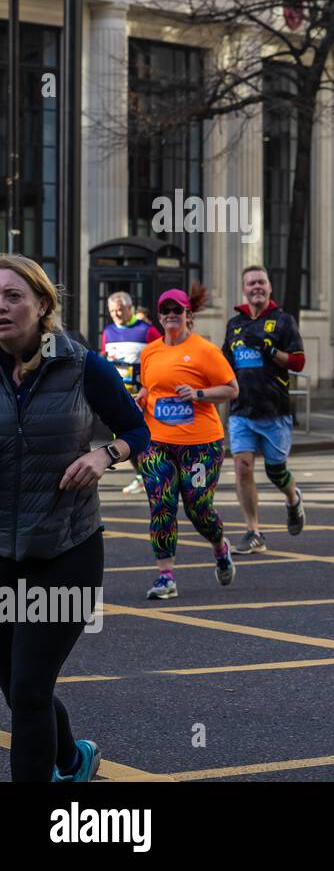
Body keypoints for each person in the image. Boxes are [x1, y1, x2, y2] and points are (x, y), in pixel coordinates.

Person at [0, 254, 151, 782]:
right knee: (15, 686)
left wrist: (103, 456)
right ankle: (72, 759)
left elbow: (137, 430)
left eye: (13, 295)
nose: (1, 306)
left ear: (42, 304)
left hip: (65, 549)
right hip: (1, 552)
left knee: (28, 690)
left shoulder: (82, 364)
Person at [137, 286, 241, 600]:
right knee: (162, 505)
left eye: (177, 311)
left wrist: (198, 394)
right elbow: (149, 388)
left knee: (198, 507)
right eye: (166, 310)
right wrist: (142, 398)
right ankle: (165, 577)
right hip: (157, 441)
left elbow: (231, 389)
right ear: (159, 316)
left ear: (188, 316)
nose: (171, 315)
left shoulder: (205, 351)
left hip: (202, 444)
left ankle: (220, 548)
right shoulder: (150, 352)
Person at [222, 266, 307, 554]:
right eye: (250, 283)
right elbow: (224, 364)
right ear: (244, 289)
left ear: (269, 287)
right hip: (241, 411)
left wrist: (270, 350)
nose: (256, 287)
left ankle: (293, 498)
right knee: (242, 468)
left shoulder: (283, 321)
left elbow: (298, 362)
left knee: (275, 471)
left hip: (275, 411)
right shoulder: (234, 324)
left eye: (261, 282)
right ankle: (253, 531)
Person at [101, 291, 162, 495]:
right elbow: (105, 359)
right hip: (118, 397)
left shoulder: (147, 331)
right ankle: (141, 476)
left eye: (119, 309)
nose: (116, 314)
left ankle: (150, 476)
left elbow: (161, 358)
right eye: (112, 311)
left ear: (129, 308)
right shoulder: (108, 332)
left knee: (145, 438)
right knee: (124, 439)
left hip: (143, 397)